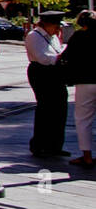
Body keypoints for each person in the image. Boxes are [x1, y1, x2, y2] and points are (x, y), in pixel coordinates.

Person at [26, 10, 70, 158]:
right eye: (56, 26)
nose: (58, 30)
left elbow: (57, 51)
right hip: (41, 73)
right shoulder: (34, 36)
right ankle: (40, 144)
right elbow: (43, 58)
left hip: (54, 72)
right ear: (46, 24)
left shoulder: (53, 37)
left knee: (60, 107)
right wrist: (60, 56)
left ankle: (55, 145)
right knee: (46, 107)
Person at [60, 10, 96, 167]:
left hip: (85, 81)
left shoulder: (78, 37)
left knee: (83, 119)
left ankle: (87, 156)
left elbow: (66, 57)